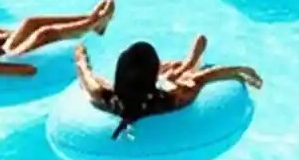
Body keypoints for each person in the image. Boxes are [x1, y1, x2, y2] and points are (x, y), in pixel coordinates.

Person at [72, 36, 262, 140]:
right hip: (156, 93)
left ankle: (188, 62)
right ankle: (190, 62)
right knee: (183, 76)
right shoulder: (173, 98)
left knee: (174, 76)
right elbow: (203, 77)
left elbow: (84, 71)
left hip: (140, 92)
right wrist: (239, 70)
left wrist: (80, 53)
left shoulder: (101, 95)